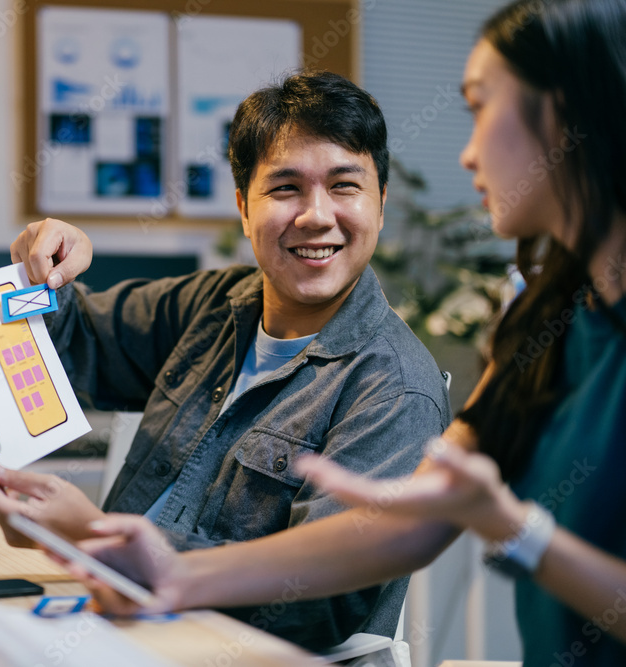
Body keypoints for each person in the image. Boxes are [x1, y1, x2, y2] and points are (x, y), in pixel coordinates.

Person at [63, 0, 626, 664]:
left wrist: (515, 528)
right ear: (243, 206)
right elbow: (408, 526)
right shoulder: (543, 318)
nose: (467, 153)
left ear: (569, 110)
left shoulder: (396, 376)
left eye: (480, 106)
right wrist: (171, 573)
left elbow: (406, 550)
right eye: (286, 189)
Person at [0, 70, 451, 650]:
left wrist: (92, 533)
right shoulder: (211, 304)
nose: (316, 216)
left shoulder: (397, 391)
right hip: (117, 626)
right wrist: (44, 274)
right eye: (285, 189)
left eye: (345, 186)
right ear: (243, 208)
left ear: (381, 203)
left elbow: (318, 605)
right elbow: (77, 348)